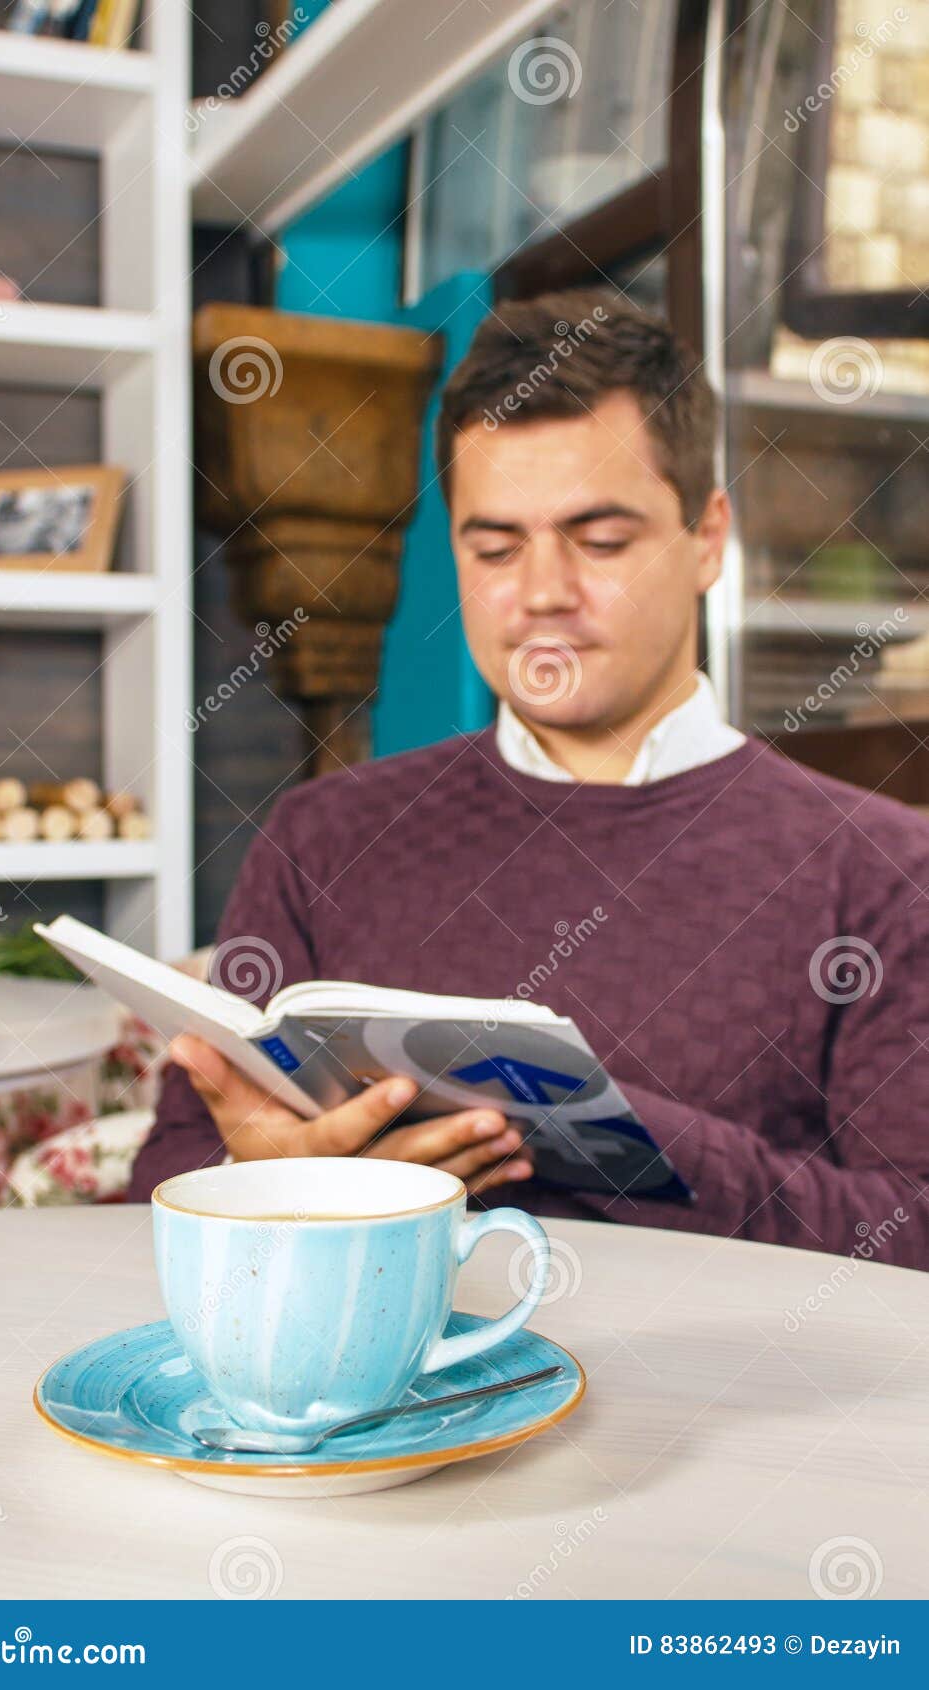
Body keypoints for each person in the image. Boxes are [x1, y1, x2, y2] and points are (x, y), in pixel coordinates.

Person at [128, 288, 929, 1270]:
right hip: (393, 1408)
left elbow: (908, 1238)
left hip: (720, 1413)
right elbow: (156, 1182)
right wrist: (274, 1178)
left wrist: (624, 1140)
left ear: (706, 538)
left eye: (599, 540)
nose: (542, 592)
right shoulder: (322, 838)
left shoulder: (885, 869)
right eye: (494, 547)